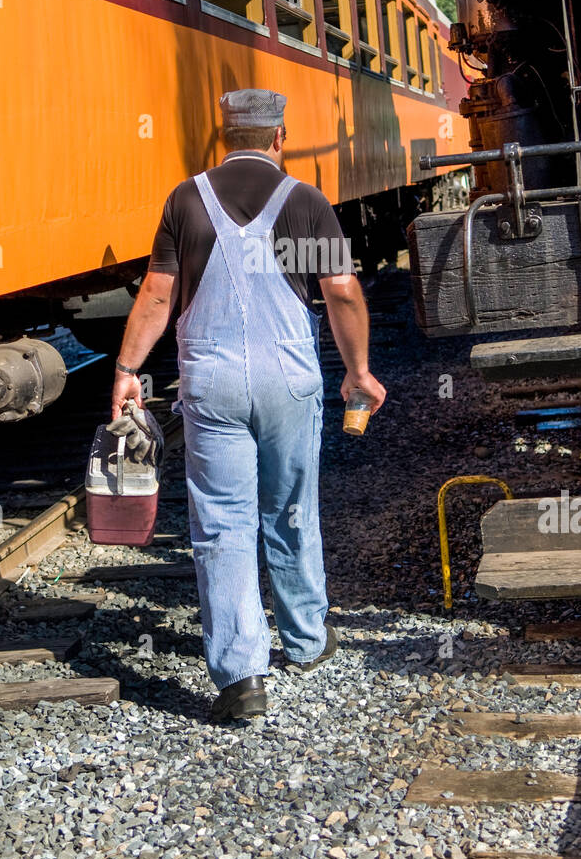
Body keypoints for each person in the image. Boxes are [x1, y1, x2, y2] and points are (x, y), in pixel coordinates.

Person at [110, 89, 386, 723]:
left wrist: (127, 370)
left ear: (224, 135)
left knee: (221, 523)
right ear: (279, 137)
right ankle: (307, 639)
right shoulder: (304, 203)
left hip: (211, 383)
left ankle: (241, 679)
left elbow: (158, 293)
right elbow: (340, 291)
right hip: (289, 378)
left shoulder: (188, 200)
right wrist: (359, 372)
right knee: (290, 505)